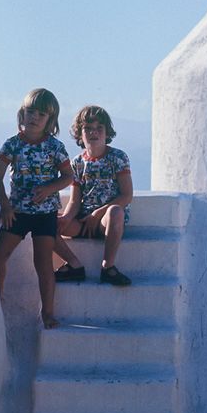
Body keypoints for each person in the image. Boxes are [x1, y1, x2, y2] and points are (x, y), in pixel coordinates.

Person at [0, 88, 73, 329]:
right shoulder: (12, 144)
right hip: (17, 212)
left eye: (41, 114)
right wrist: (5, 206)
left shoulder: (54, 146)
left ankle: (47, 313)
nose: (35, 117)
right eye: (31, 112)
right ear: (22, 113)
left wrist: (49, 189)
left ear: (51, 120)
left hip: (45, 214)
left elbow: (68, 176)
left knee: (43, 263)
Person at [52, 105, 133, 286]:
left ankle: (108, 267)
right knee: (46, 220)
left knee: (115, 211)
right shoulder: (77, 163)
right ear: (79, 134)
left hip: (107, 221)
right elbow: (75, 200)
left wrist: (97, 214)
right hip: (84, 222)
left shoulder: (118, 157)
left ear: (107, 132)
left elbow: (126, 195)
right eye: (88, 128)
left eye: (99, 128)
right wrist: (66, 218)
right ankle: (74, 265)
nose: (93, 132)